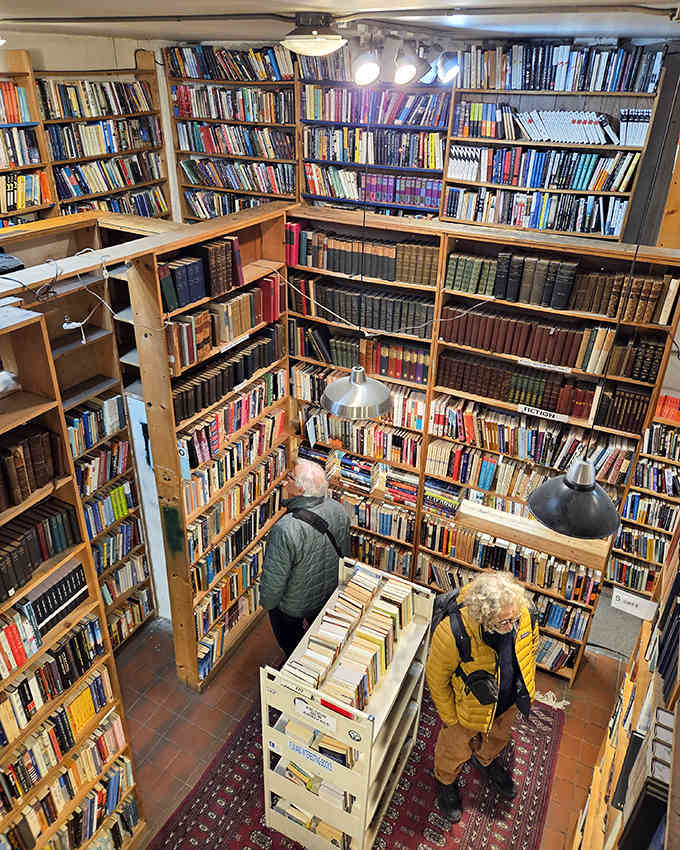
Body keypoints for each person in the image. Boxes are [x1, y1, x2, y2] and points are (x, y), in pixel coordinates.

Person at [426, 571, 538, 823]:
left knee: (498, 737)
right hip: (466, 710)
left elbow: (531, 644)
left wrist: (524, 688)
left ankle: (485, 760)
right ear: (484, 618)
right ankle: (445, 781)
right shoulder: (453, 631)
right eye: (503, 623)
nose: (511, 627)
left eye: (514, 619)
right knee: (453, 749)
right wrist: (450, 718)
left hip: (508, 701)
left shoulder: (523, 613)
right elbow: (436, 679)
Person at [260, 458, 351, 656]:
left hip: (295, 606)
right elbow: (345, 554)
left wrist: (268, 605)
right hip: (328, 595)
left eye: (290, 478)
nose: (285, 482)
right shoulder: (338, 509)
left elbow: (274, 581)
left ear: (300, 491)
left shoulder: (286, 528)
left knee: (291, 644)